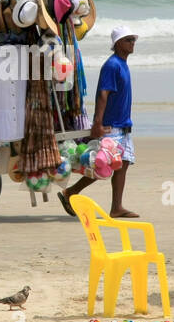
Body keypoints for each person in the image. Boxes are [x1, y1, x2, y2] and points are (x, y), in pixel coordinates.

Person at [59, 27, 138, 219]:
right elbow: (103, 94)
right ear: (118, 43)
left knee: (123, 164)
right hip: (111, 126)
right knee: (102, 166)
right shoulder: (112, 65)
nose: (132, 43)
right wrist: (97, 124)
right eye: (128, 40)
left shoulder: (122, 64)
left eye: (133, 39)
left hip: (123, 125)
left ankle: (116, 207)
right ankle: (70, 192)